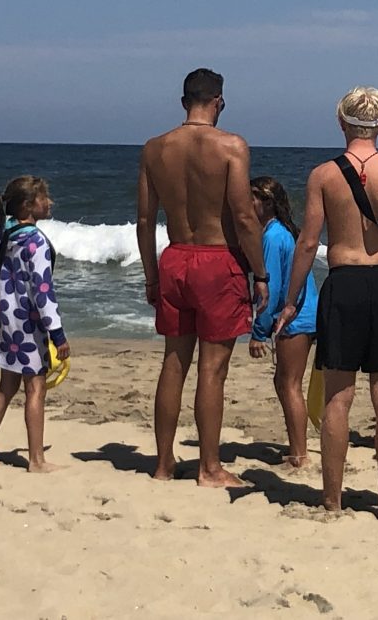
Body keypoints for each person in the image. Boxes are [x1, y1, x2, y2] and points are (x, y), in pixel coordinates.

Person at [275, 87, 378, 519]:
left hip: (342, 284)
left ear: (341, 122)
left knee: (338, 398)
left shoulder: (323, 176)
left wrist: (290, 301)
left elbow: (308, 243)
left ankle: (331, 499)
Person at [136, 68, 268, 488]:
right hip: (217, 260)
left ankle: (162, 464)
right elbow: (245, 216)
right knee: (212, 370)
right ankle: (209, 467)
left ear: (182, 102)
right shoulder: (231, 146)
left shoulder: (155, 148)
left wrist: (151, 275)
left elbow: (143, 220)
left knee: (173, 364)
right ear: (220, 102)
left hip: (175, 257)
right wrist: (260, 273)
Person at [0, 176, 70, 473]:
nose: (49, 203)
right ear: (28, 205)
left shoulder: (5, 233)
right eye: (44, 198)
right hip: (29, 323)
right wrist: (58, 334)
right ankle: (36, 460)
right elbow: (42, 291)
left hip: (6, 320)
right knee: (36, 388)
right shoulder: (35, 240)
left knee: (6, 386)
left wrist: (0, 291)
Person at [247, 176, 318, 469]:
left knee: (289, 384)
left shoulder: (274, 237)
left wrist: (259, 332)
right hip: (305, 312)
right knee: (286, 382)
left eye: (252, 198)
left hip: (297, 317)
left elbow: (272, 288)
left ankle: (299, 453)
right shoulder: (281, 232)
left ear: (267, 203)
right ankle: (296, 447)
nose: (246, 204)